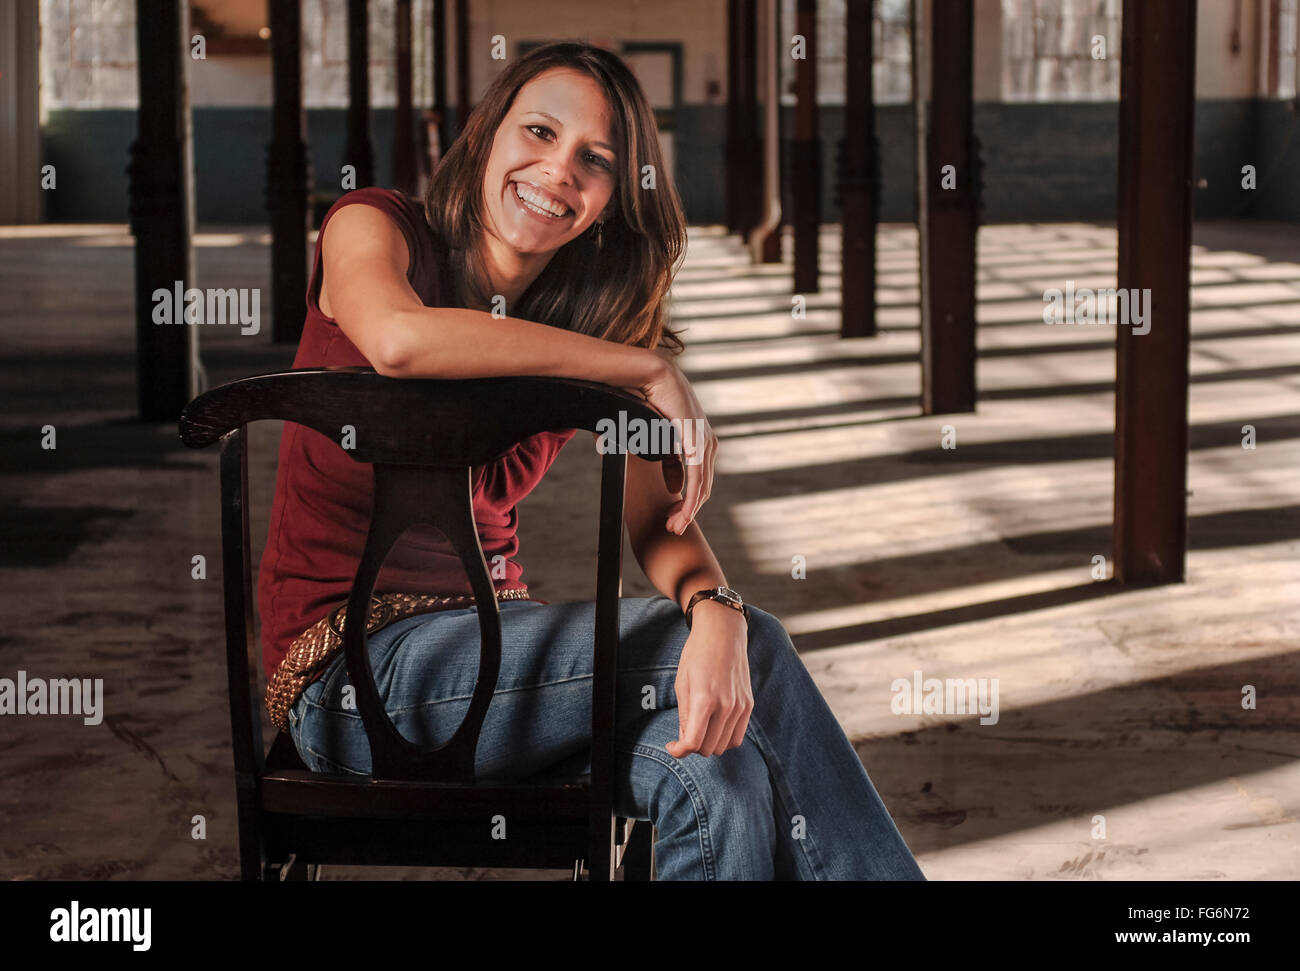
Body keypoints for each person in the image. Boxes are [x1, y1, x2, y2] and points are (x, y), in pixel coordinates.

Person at [259, 41, 924, 881]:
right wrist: (643, 368)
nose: (557, 169)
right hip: (354, 676)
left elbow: (659, 522)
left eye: (595, 161)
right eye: (538, 131)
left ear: (614, 198)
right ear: (485, 135)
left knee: (712, 768)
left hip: (501, 674)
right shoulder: (377, 227)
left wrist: (717, 607)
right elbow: (397, 339)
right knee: (751, 658)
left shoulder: (589, 322)